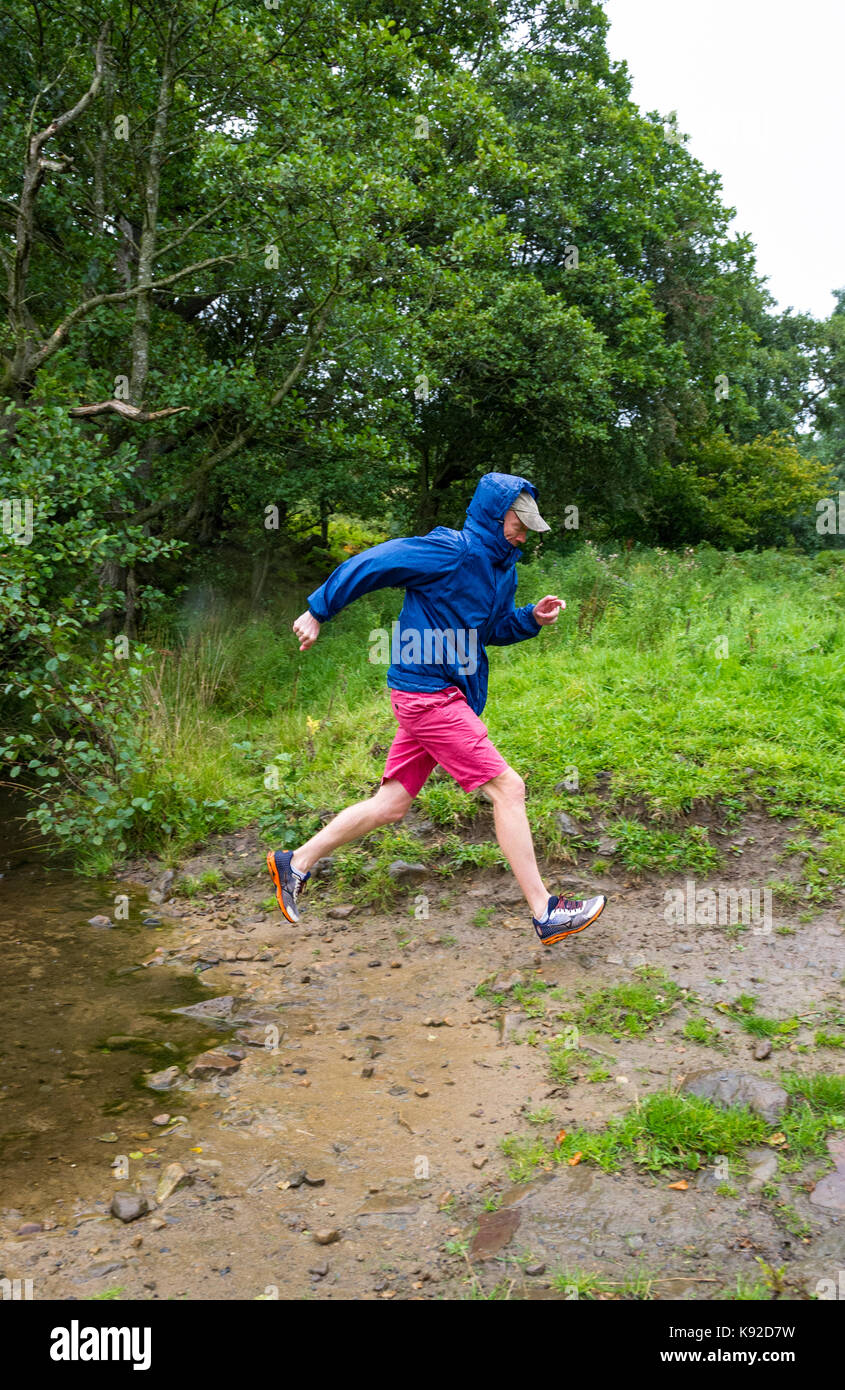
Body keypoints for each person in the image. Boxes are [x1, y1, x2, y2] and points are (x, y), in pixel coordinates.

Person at [267, 472, 607, 945]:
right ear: (495, 513)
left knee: (391, 804)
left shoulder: (501, 567)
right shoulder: (452, 550)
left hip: (439, 695)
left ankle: (296, 862)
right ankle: (546, 910)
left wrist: (530, 617)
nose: (524, 533)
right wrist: (319, 609)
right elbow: (376, 561)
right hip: (428, 697)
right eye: (518, 522)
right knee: (509, 788)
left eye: (529, 526)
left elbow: (488, 629)